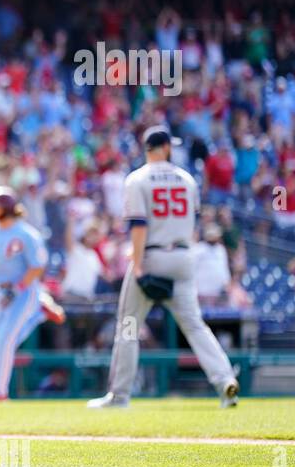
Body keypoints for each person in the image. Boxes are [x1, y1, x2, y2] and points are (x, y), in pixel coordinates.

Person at [88, 127, 239, 409]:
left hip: (152, 255)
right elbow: (192, 226)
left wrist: (138, 263)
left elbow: (139, 226)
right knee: (195, 326)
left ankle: (119, 395)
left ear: (147, 149)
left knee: (129, 327)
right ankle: (224, 380)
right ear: (166, 147)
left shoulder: (137, 179)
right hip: (182, 255)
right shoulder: (187, 179)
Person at [0, 186, 65, 403]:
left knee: (6, 340)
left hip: (25, 291)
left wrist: (18, 289)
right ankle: (39, 314)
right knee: (1, 341)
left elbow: (37, 267)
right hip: (2, 290)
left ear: (6, 208)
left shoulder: (26, 234)